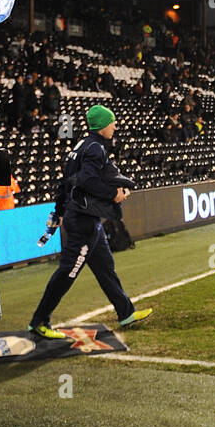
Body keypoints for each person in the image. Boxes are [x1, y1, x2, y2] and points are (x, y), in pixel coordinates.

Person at [28, 104, 152, 340]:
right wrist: (113, 194)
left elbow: (66, 182)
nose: (115, 126)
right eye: (112, 122)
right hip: (82, 222)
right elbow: (87, 181)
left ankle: (126, 313)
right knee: (68, 272)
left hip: (86, 219)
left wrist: (59, 210)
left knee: (106, 268)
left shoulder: (81, 146)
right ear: (103, 125)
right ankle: (39, 321)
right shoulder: (95, 148)